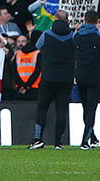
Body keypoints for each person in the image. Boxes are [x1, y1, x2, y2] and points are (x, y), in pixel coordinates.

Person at [29, 12, 74, 150]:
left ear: (54, 19)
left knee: (42, 108)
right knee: (61, 110)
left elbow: (37, 46)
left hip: (48, 77)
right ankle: (58, 143)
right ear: (67, 20)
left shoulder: (46, 35)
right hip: (66, 79)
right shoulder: (73, 36)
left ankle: (38, 139)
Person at [74, 10, 100, 150]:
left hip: (80, 75)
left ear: (84, 20)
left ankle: (92, 138)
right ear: (97, 22)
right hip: (96, 76)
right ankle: (85, 140)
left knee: (85, 107)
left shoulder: (76, 35)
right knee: (91, 108)